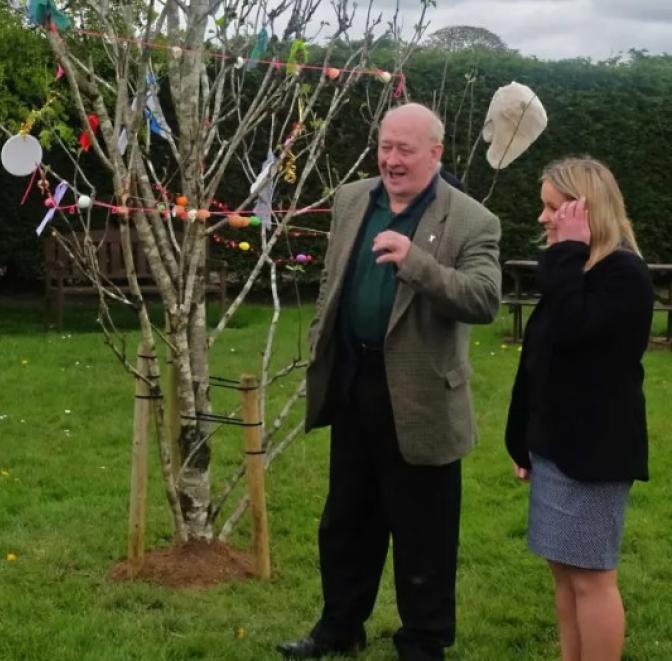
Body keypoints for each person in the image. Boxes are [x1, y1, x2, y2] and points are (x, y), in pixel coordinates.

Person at [277, 103, 501, 660]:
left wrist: (417, 266)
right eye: (385, 147)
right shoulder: (355, 199)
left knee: (424, 534)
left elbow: (484, 299)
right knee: (346, 521)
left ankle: (423, 644)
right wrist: (319, 335)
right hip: (354, 383)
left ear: (435, 153)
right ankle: (338, 629)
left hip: (422, 398)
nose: (392, 160)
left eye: (405, 150)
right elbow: (335, 276)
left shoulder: (472, 220)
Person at [505, 157, 654, 661]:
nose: (544, 217)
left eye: (553, 207)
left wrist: (566, 253)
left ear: (584, 209)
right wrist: (522, 437)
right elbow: (540, 361)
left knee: (592, 580)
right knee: (565, 577)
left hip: (594, 454)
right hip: (555, 446)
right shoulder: (574, 268)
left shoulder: (623, 274)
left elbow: (575, 334)